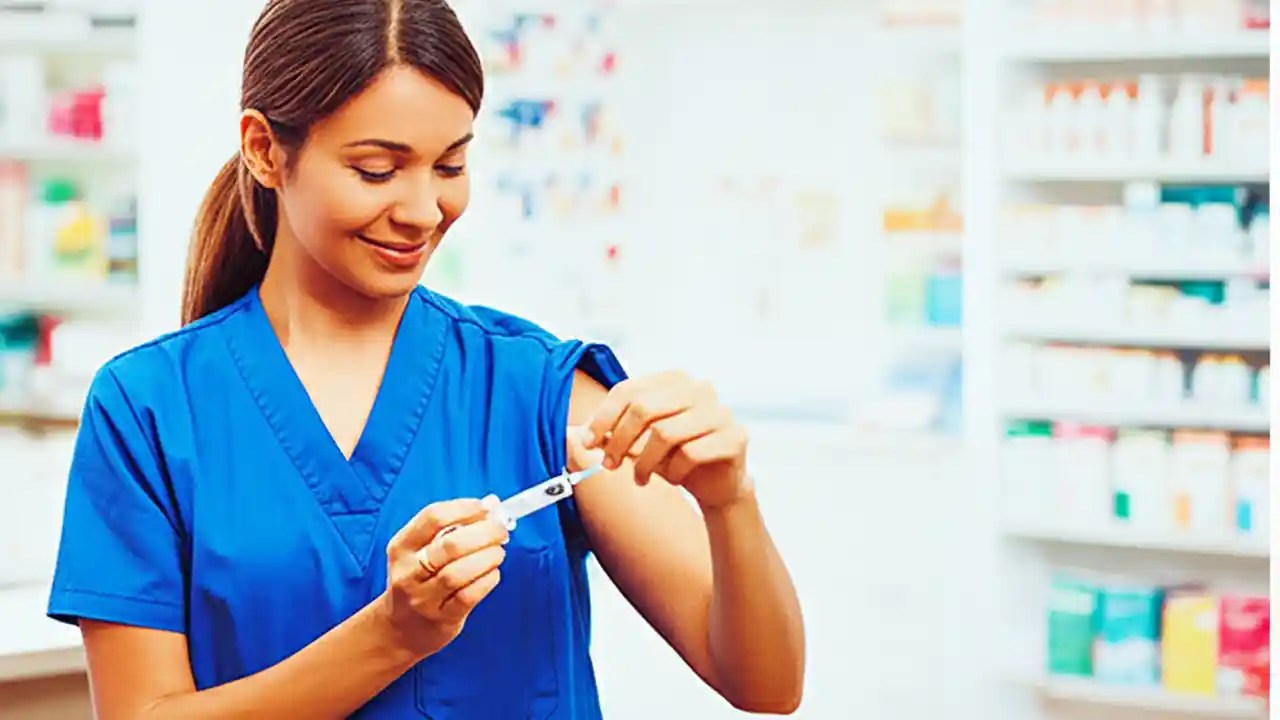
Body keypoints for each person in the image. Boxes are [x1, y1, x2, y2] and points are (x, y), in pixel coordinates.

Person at [46, 0, 805, 718]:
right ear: (265, 150)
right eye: (377, 169)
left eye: (449, 166)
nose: (421, 211)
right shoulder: (148, 409)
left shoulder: (538, 388)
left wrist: (728, 502)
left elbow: (764, 683)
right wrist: (393, 634)